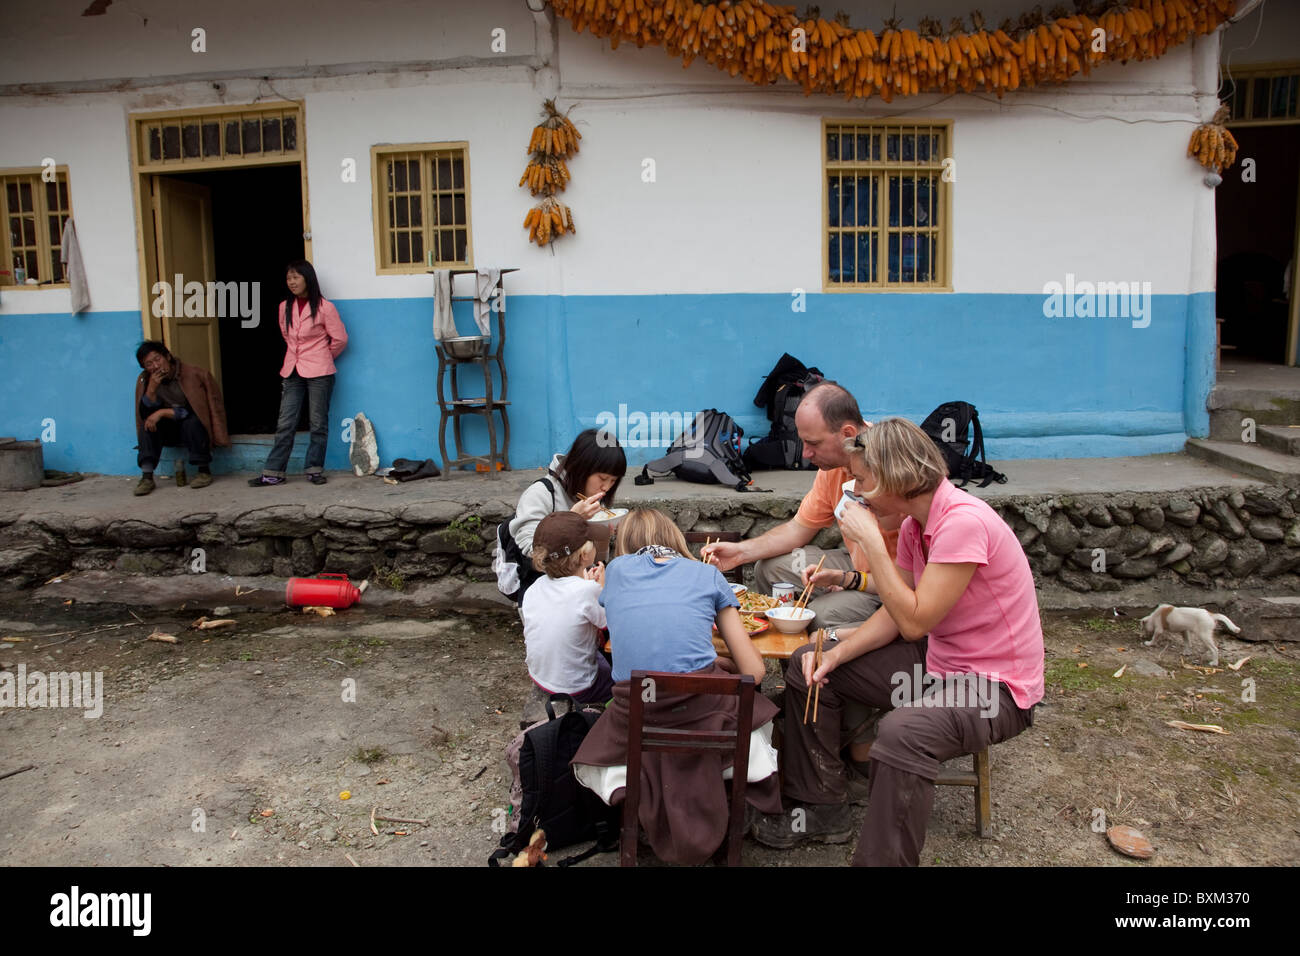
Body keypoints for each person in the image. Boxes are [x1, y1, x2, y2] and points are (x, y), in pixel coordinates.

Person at [750, 418, 1045, 866]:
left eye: (863, 482)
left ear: (895, 478)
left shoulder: (962, 522)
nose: (857, 494)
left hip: (994, 687)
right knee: (808, 663)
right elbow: (893, 613)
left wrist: (869, 537)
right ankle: (821, 806)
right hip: (938, 663)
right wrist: (836, 654)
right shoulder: (914, 526)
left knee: (904, 733)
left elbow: (913, 621)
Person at [571, 509, 779, 865]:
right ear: (676, 538)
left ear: (624, 546)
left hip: (638, 715)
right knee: (761, 704)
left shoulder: (616, 572)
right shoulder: (708, 575)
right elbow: (754, 673)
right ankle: (737, 808)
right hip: (702, 715)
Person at [702, 382, 903, 630]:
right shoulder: (833, 467)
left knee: (819, 615)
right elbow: (799, 527)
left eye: (814, 443)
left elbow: (915, 576)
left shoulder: (893, 461)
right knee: (771, 568)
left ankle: (818, 654)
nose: (805, 454)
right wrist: (740, 553)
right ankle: (791, 656)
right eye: (803, 442)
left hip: (897, 580)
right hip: (858, 564)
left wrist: (852, 580)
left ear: (848, 433)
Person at [249, 261, 347, 486]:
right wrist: (302, 355)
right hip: (292, 369)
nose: (291, 282)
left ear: (308, 279)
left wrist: (323, 356)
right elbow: (286, 335)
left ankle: (314, 469)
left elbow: (340, 339)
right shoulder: (284, 306)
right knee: (286, 422)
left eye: (296, 277)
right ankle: (273, 472)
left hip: (320, 371)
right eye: (288, 278)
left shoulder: (325, 307)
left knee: (317, 422)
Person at [504, 428, 627, 597]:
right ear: (581, 468)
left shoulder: (592, 497)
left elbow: (593, 560)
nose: (606, 487)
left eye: (613, 481)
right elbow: (532, 556)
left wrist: (603, 534)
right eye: (603, 478)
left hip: (580, 589)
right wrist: (572, 520)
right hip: (541, 593)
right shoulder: (541, 494)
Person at [522, 512, 614, 706]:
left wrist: (588, 586)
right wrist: (602, 589)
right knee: (617, 676)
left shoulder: (535, 587)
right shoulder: (588, 591)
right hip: (578, 687)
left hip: (540, 676)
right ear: (585, 555)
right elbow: (611, 624)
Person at [132, 341, 229, 496]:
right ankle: (147, 477)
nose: (155, 366)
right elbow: (144, 413)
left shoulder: (193, 374)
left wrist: (163, 412)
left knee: (192, 422)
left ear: (168, 356)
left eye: (158, 359)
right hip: (167, 431)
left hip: (191, 427)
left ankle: (203, 471)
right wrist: (151, 390)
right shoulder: (145, 380)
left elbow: (196, 410)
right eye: (149, 364)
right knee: (147, 423)